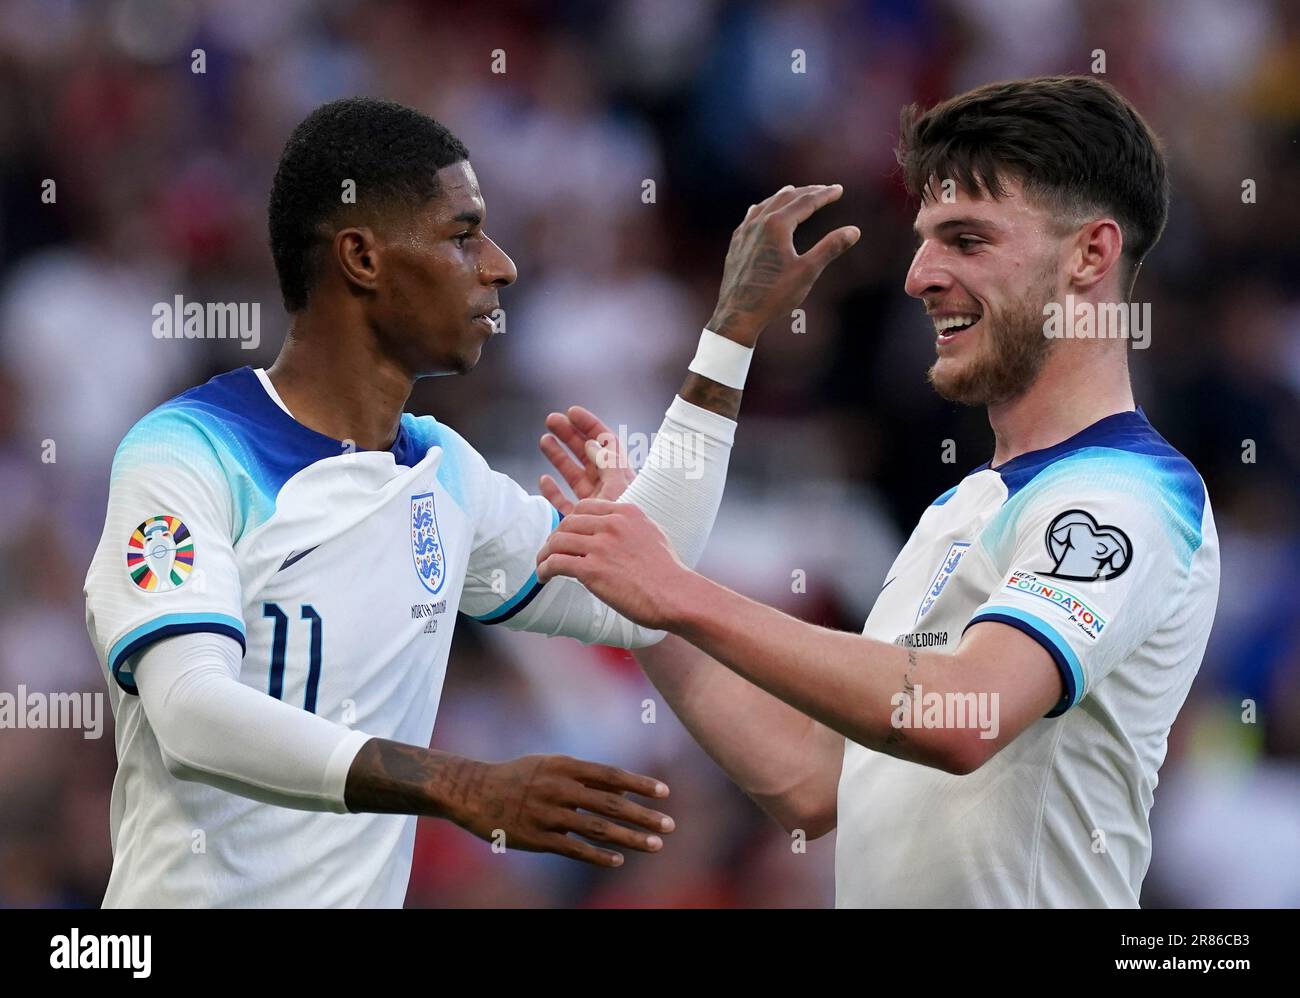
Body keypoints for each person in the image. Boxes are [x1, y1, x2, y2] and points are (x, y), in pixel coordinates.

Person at [83, 97, 859, 907]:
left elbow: (638, 598)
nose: (501, 264)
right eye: (462, 234)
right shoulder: (184, 454)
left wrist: (730, 336)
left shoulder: (442, 469)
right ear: (361, 258)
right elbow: (188, 710)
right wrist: (459, 785)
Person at [535, 76, 1220, 908]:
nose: (919, 275)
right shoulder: (962, 508)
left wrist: (674, 587)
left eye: (967, 240)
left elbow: (968, 716)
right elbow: (809, 778)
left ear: (1090, 254)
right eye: (925, 239)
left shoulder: (1128, 495)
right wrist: (634, 597)